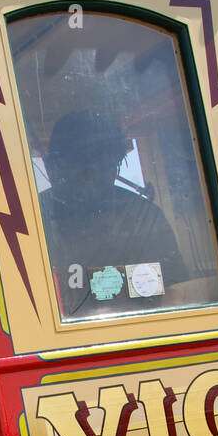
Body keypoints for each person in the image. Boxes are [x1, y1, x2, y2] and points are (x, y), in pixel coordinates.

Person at [38, 110, 187, 319]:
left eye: (101, 164)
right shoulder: (31, 221)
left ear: (115, 166)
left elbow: (175, 292)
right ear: (53, 165)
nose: (90, 176)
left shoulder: (144, 217)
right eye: (78, 164)